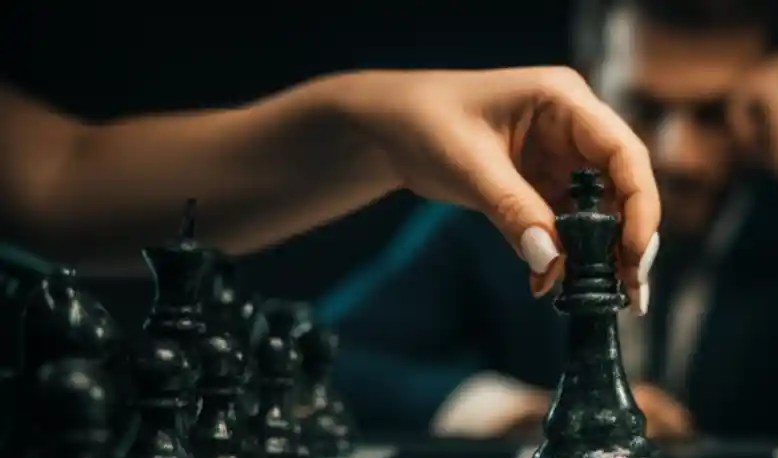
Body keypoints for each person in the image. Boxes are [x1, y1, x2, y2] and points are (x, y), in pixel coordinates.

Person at [318, 0, 778, 442]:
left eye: (716, 115)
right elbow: (319, 359)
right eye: (643, 108)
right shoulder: (500, 210)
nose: (678, 156)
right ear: (582, 85)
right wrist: (513, 414)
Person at [0, 66, 659, 300]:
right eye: (650, 105)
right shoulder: (464, 225)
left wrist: (376, 129)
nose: (679, 154)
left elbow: (62, 182)